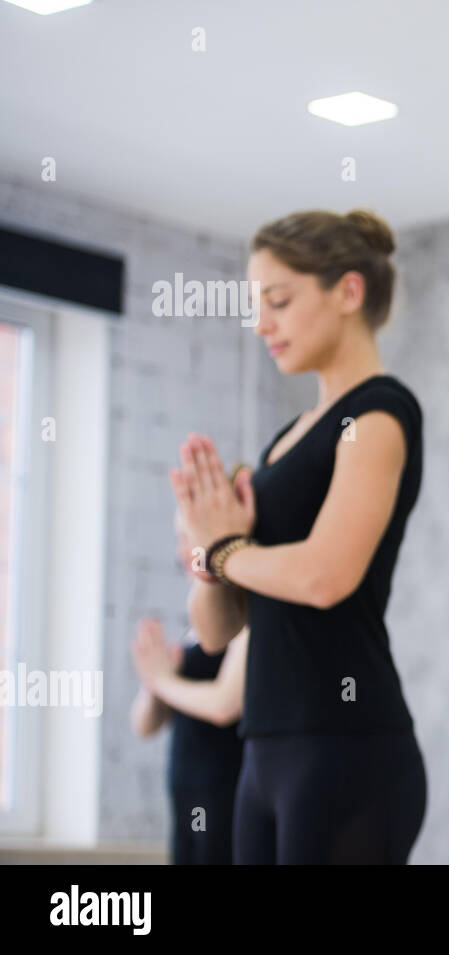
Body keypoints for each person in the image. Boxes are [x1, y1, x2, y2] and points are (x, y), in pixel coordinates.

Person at [171, 208, 427, 864]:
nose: (262, 324)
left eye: (278, 301)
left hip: (346, 748)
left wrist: (229, 551)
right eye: (258, 304)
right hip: (264, 749)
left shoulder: (379, 414)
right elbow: (220, 629)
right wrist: (206, 557)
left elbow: (324, 576)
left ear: (347, 292)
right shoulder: (283, 443)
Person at [129, 507, 246, 865]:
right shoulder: (194, 626)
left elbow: (225, 705)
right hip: (185, 791)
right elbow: (143, 725)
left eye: (188, 537)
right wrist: (155, 681)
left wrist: (163, 680)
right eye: (178, 538)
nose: (181, 550)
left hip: (226, 791)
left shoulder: (246, 615)